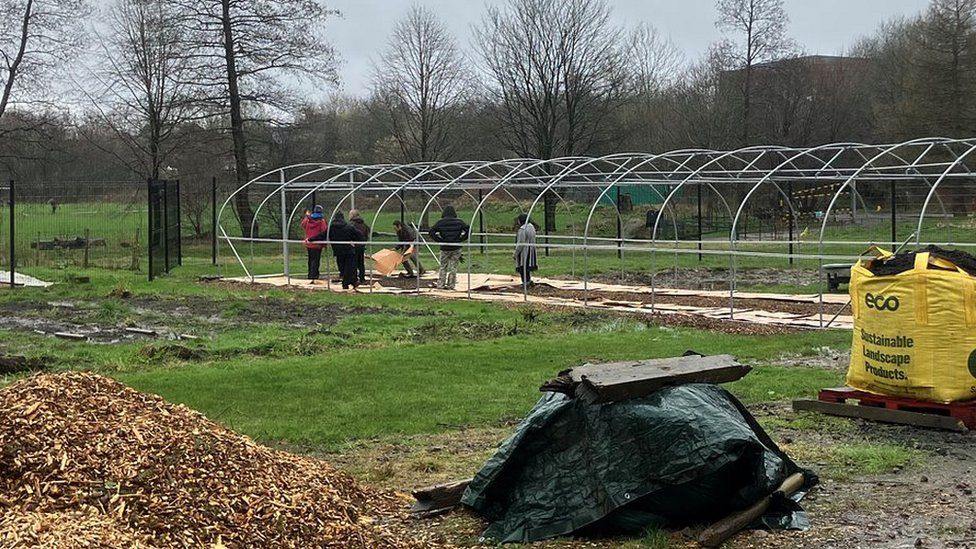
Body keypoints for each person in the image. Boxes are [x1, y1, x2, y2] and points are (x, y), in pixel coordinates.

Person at [310, 212, 362, 290]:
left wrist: (310, 239)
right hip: (348, 251)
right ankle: (349, 282)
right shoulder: (348, 227)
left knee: (342, 268)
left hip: (338, 251)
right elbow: (359, 235)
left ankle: (349, 282)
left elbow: (322, 235)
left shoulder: (331, 228)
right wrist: (354, 242)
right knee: (351, 267)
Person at [429, 206, 469, 290]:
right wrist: (461, 239)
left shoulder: (440, 222)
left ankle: (441, 284)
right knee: (453, 267)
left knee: (443, 266)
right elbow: (469, 230)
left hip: (445, 248)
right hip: (456, 247)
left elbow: (431, 232)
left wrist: (440, 240)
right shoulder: (459, 222)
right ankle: (451, 285)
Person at [300, 205, 327, 284]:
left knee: (310, 259)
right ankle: (314, 275)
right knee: (316, 260)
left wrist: (307, 216)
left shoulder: (308, 220)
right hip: (317, 244)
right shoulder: (321, 221)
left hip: (309, 243)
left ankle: (310, 274)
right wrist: (325, 243)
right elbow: (324, 231)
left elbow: (303, 225)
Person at [514, 214, 538, 287]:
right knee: (527, 266)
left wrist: (515, 253)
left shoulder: (522, 229)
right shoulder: (531, 227)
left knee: (523, 266)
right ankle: (528, 281)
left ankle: (526, 282)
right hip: (531, 249)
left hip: (524, 251)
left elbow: (521, 242)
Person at [349, 209, 371, 284]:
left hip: (354, 246)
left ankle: (354, 279)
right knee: (361, 263)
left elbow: (349, 234)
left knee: (353, 263)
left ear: (352, 215)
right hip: (361, 246)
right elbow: (367, 233)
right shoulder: (363, 224)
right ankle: (362, 278)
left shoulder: (351, 224)